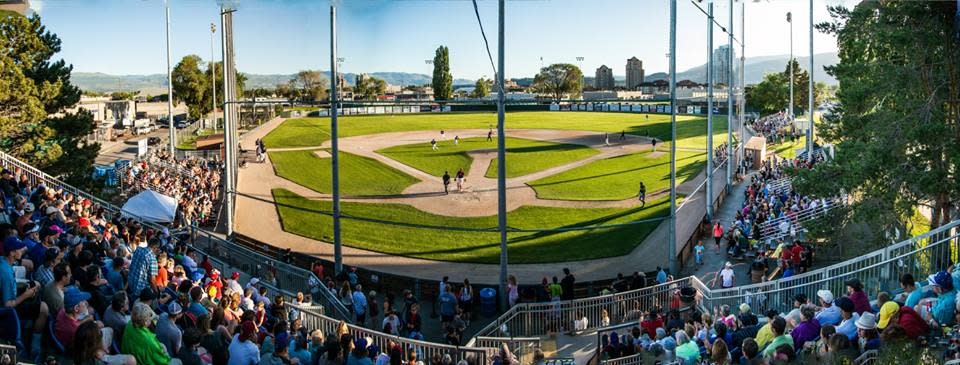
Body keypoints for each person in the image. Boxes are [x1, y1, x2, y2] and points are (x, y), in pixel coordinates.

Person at [1, 235, 48, 358]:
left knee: (34, 286)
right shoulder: (5, 272)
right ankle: (35, 346)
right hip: (6, 312)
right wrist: (26, 295)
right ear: (12, 253)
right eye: (19, 249)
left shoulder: (3, 261)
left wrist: (23, 286)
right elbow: (8, 305)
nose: (22, 250)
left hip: (10, 298)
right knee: (43, 308)